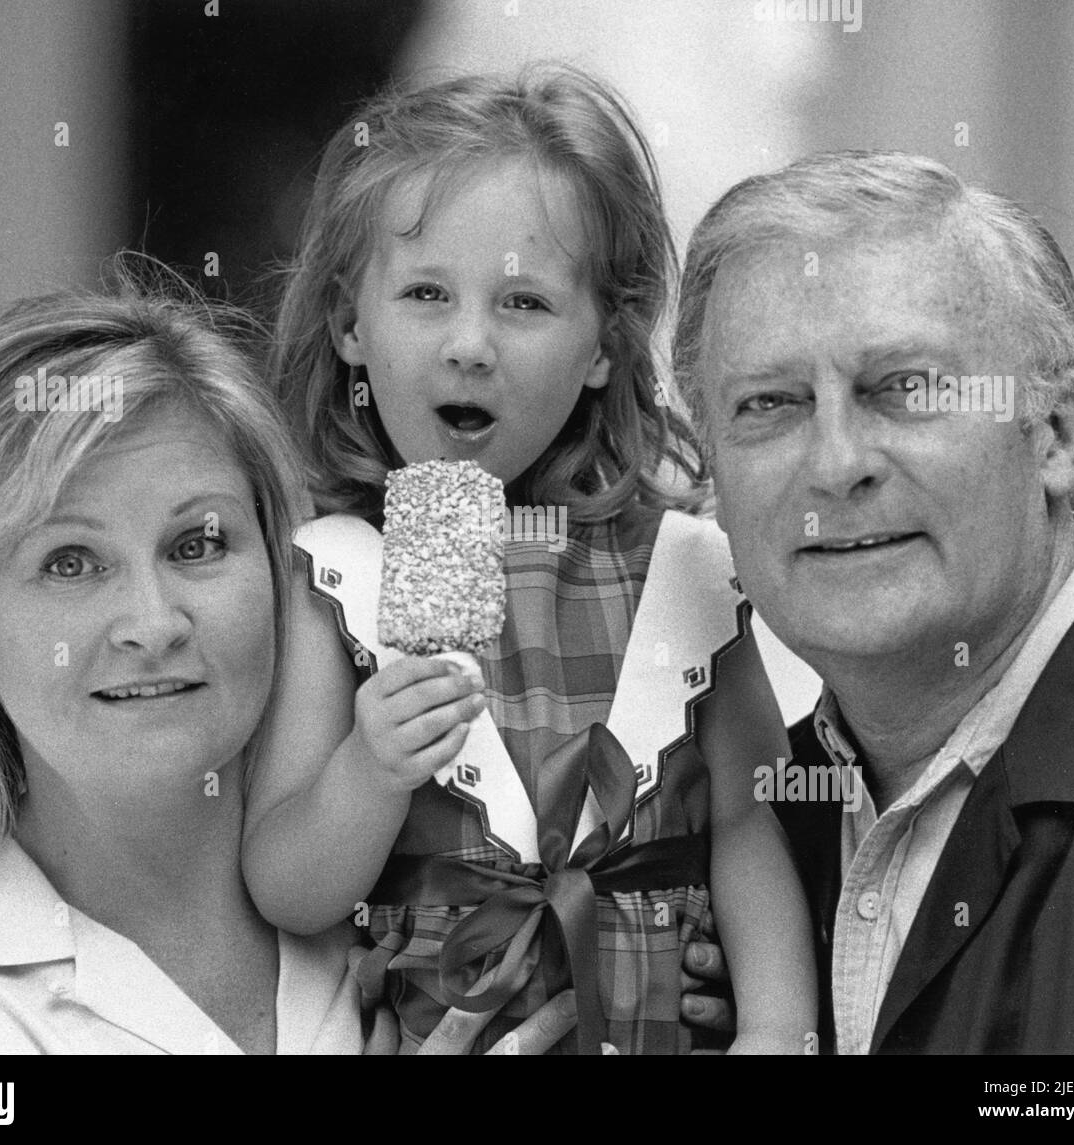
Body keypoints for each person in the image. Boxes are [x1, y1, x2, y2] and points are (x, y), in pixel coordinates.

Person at [242, 66, 816, 1055]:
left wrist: (775, 1034)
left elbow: (751, 834)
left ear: (605, 344)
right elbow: (286, 886)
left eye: (524, 302)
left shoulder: (685, 568)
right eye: (425, 293)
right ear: (347, 326)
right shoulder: (332, 576)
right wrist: (369, 770)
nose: (469, 343)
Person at [0, 267, 573, 1056]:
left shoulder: (440, 889)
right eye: (71, 561)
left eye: (198, 544)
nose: (153, 623)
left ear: (282, 565)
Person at [673, 149, 1074, 1053]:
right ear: (711, 482)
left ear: (1056, 432)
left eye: (903, 389)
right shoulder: (696, 858)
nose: (834, 464)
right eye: (770, 404)